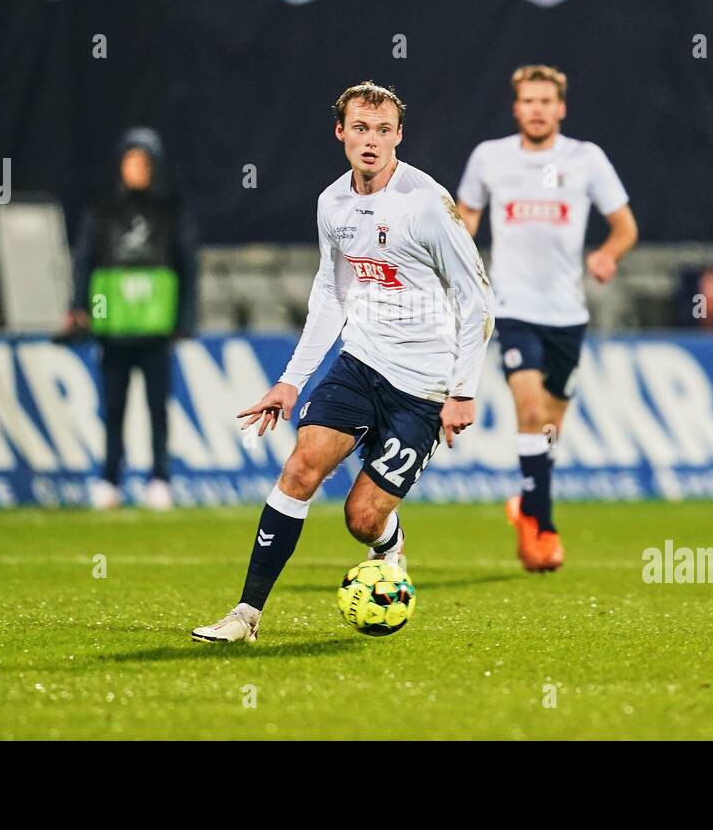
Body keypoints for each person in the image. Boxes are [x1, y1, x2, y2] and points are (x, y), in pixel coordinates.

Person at [192, 81, 493, 643]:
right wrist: (289, 382)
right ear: (341, 133)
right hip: (361, 362)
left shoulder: (426, 204)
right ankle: (246, 614)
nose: (371, 141)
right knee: (302, 468)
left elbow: (477, 295)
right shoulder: (332, 204)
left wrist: (462, 388)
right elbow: (331, 296)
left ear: (399, 136)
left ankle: (388, 543)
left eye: (383, 130)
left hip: (423, 386)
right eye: (360, 128)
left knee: (361, 518)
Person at [456, 65, 638, 572]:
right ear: (516, 108)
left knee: (551, 430)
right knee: (532, 415)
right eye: (528, 101)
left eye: (545, 101)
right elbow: (466, 217)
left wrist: (607, 255)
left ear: (561, 108)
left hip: (567, 313)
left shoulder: (585, 159)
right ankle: (543, 529)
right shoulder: (490, 157)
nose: (536, 109)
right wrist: (454, 252)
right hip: (512, 308)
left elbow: (625, 226)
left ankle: (525, 505)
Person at [68, 127, 198, 511]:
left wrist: (183, 319)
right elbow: (84, 262)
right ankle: (109, 479)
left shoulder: (172, 210)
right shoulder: (101, 209)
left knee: (158, 408)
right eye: (131, 161)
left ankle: (159, 478)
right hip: (113, 327)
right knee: (113, 408)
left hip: (156, 328)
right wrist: (82, 309)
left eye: (143, 162)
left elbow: (187, 265)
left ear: (154, 167)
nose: (136, 169)